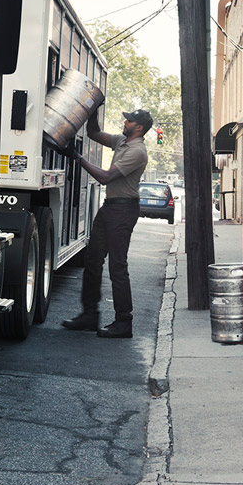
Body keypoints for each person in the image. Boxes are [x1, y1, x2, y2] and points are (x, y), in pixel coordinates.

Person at [62, 108, 152, 339]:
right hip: (110, 207)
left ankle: (124, 322)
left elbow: (105, 177)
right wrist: (93, 109)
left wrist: (78, 157)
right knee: (92, 260)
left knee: (117, 266)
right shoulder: (121, 141)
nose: (125, 122)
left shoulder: (137, 151)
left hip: (123, 210)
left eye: (129, 120)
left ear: (139, 127)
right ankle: (89, 315)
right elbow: (93, 133)